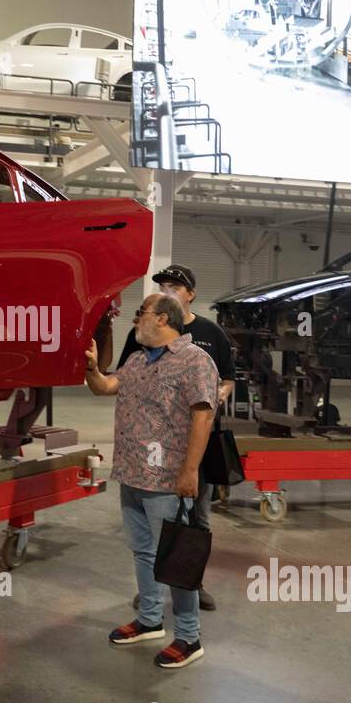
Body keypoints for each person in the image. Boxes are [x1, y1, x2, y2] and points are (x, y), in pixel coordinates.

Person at [84, 293, 218, 669]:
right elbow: (106, 388)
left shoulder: (195, 361)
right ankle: (150, 619)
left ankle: (189, 637)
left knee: (176, 558)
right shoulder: (138, 360)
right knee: (143, 552)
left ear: (162, 319)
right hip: (131, 473)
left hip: (168, 480)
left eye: (141, 313)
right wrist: (94, 369)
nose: (135, 320)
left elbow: (203, 417)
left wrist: (190, 471)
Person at [112, 264, 235, 612]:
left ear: (190, 295)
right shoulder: (143, 339)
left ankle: (191, 585)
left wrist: (218, 392)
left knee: (197, 519)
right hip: (156, 452)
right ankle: (152, 591)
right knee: (153, 532)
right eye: (162, 286)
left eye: (174, 287)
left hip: (199, 440)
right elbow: (123, 376)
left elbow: (227, 378)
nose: (167, 291)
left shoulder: (210, 334)